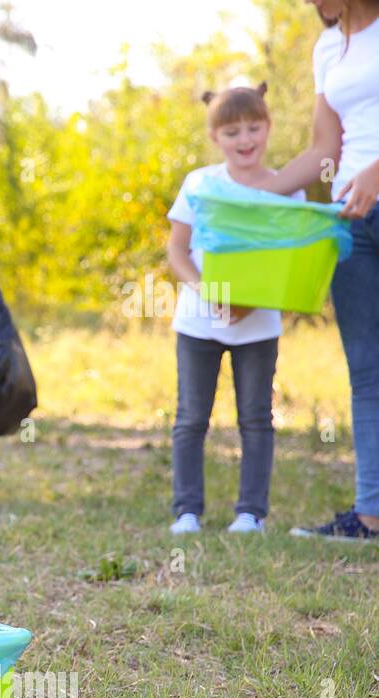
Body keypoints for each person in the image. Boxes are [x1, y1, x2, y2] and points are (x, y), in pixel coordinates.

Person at [165, 84, 303, 535]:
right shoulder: (200, 184)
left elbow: (289, 261)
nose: (244, 139)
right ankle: (187, 511)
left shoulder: (287, 188)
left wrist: (250, 302)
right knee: (190, 418)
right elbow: (177, 251)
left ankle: (251, 514)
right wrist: (209, 292)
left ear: (268, 127)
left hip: (259, 325)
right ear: (215, 137)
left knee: (257, 419)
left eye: (253, 128)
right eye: (231, 132)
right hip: (199, 322)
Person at [265, 0, 379, 540]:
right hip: (349, 222)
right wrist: (258, 193)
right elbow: (324, 149)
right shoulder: (329, 47)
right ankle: (371, 513)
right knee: (366, 366)